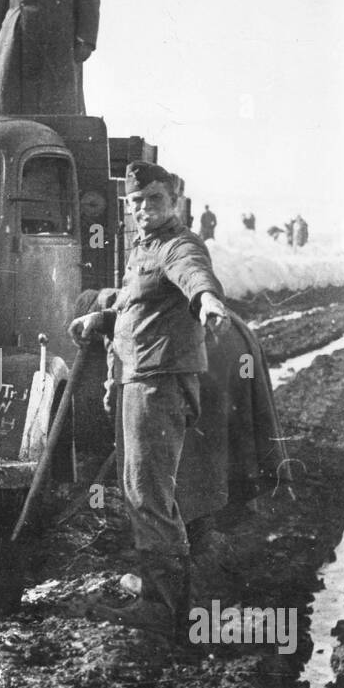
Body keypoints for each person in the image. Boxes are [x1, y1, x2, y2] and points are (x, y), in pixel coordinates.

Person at [68, 162, 229, 644]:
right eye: (136, 202)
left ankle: (172, 612)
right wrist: (103, 315)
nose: (143, 209)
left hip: (156, 385)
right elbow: (141, 295)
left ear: (174, 203)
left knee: (146, 493)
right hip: (136, 379)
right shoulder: (146, 247)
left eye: (154, 200)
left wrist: (208, 301)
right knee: (144, 489)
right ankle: (160, 594)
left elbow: (193, 274)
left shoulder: (180, 243)